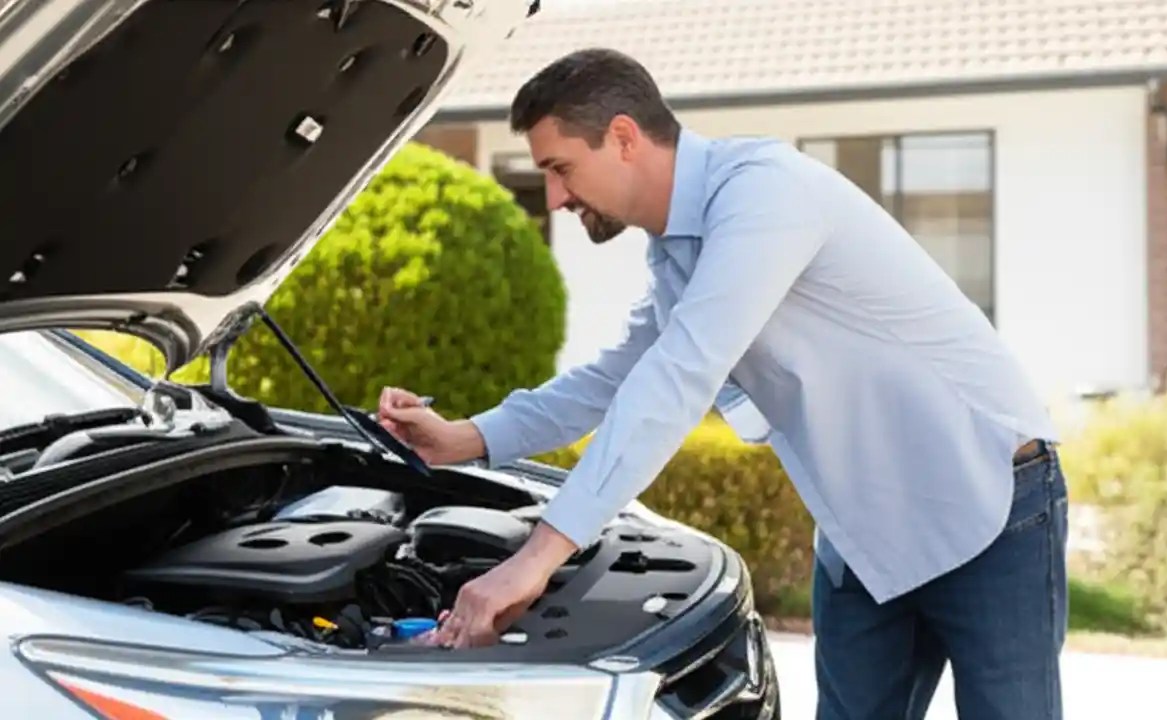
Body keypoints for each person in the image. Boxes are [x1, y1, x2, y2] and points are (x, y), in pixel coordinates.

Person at [377, 47, 1068, 720]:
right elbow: (614, 380)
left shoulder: (765, 195)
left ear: (622, 138)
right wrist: (464, 439)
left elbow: (678, 377)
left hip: (988, 504)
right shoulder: (676, 250)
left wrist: (536, 559)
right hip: (864, 536)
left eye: (561, 168)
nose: (553, 196)